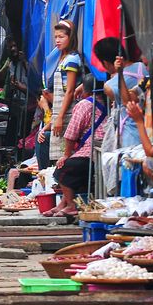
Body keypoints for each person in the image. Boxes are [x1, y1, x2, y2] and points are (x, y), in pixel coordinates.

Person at [47, 75, 109, 218]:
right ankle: (63, 204)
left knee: (62, 169)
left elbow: (71, 134)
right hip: (102, 152)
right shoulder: (109, 103)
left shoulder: (85, 104)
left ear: (85, 90)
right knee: (70, 167)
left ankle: (71, 205)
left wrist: (66, 155)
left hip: (90, 154)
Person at [93, 37, 148, 148]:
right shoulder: (141, 67)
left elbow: (127, 102)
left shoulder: (109, 86)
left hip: (129, 132)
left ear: (105, 63)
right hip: (148, 126)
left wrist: (120, 74)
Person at [44, 20, 82, 165]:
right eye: (56, 37)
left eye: (61, 37)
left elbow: (70, 91)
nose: (57, 41)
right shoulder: (63, 59)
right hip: (60, 112)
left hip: (67, 114)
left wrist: (60, 117)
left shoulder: (72, 59)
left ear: (70, 38)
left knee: (63, 156)